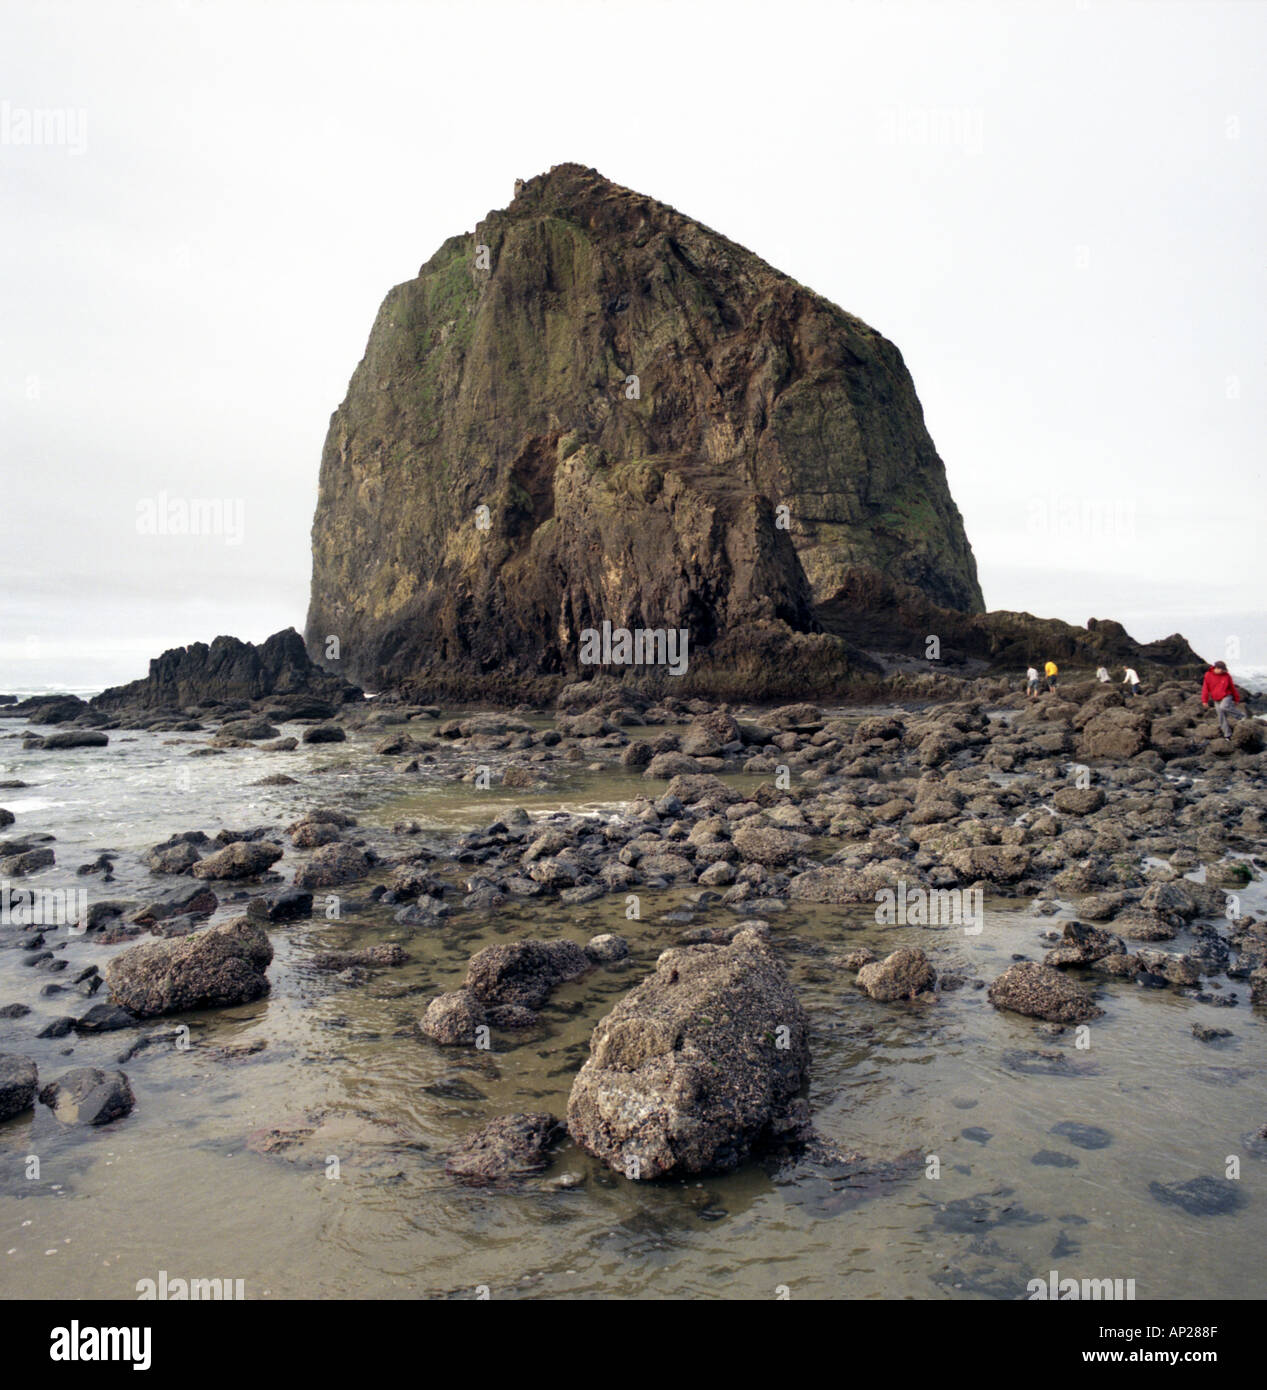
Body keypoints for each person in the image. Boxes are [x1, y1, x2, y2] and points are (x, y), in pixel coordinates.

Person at [1201, 659, 1242, 740]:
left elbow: (1232, 687)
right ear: (1216, 668)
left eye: (1224, 669)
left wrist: (1236, 699)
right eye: (1222, 669)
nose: (1223, 671)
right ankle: (1227, 735)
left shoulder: (1227, 676)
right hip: (1216, 699)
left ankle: (1241, 716)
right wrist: (1204, 701)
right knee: (1221, 716)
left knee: (1224, 707)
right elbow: (1205, 688)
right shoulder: (1208, 675)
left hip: (1227, 696)